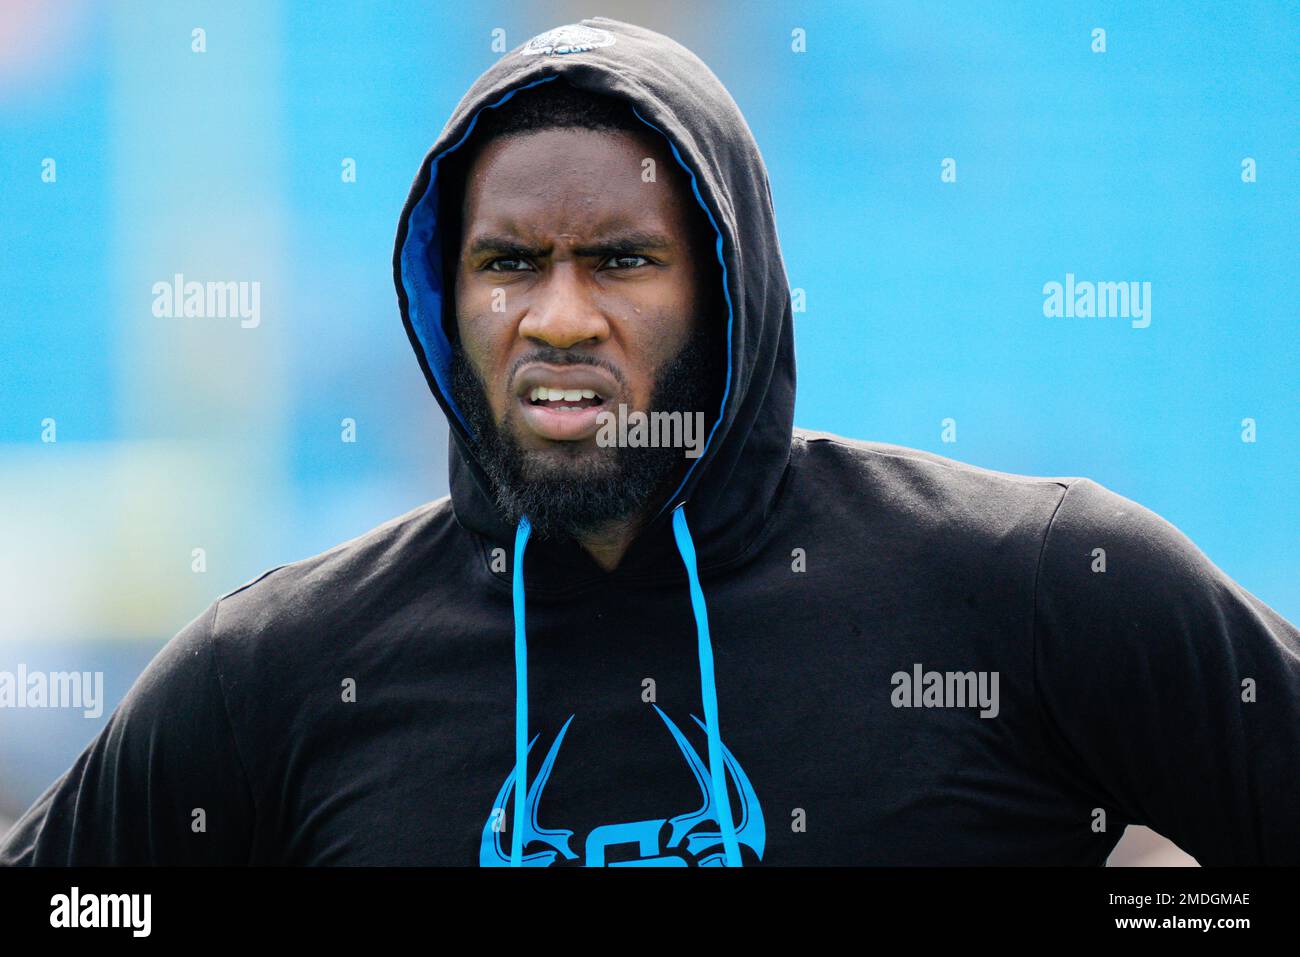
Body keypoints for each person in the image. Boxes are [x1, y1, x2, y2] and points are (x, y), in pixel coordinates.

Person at [3, 18, 1297, 867]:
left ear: (731, 286)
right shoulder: (274, 669)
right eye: (509, 263)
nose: (559, 316)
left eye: (622, 260)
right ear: (441, 299)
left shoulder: (1042, 584)